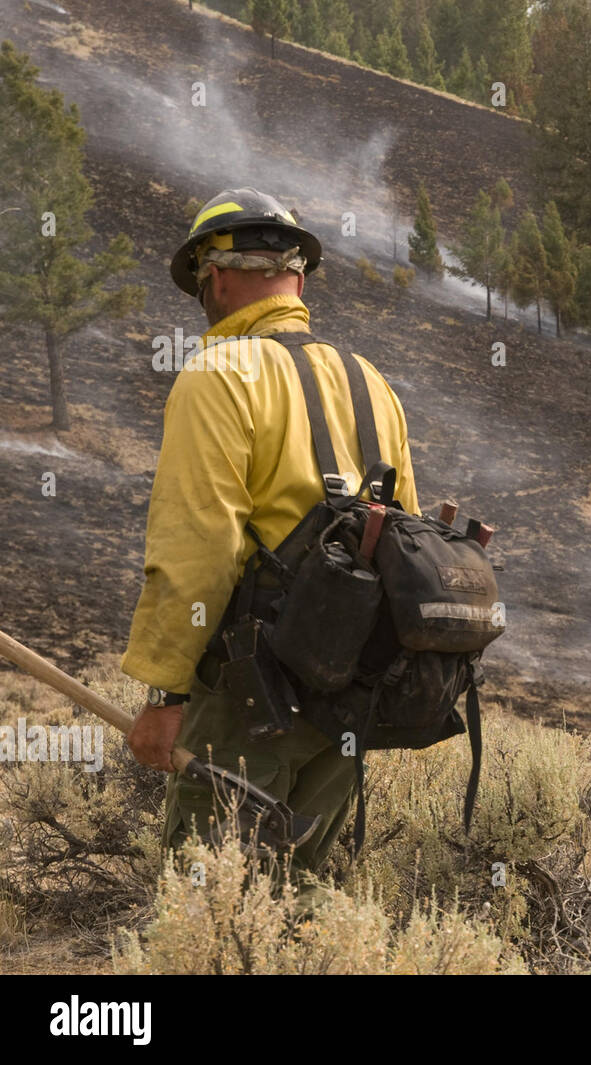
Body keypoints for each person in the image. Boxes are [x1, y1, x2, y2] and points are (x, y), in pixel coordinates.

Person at [122, 188, 420, 886]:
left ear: (215, 277)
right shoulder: (371, 381)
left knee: (213, 909)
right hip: (349, 700)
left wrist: (165, 698)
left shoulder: (216, 376)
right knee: (297, 906)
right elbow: (404, 538)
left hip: (249, 697)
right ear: (299, 279)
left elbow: (197, 551)